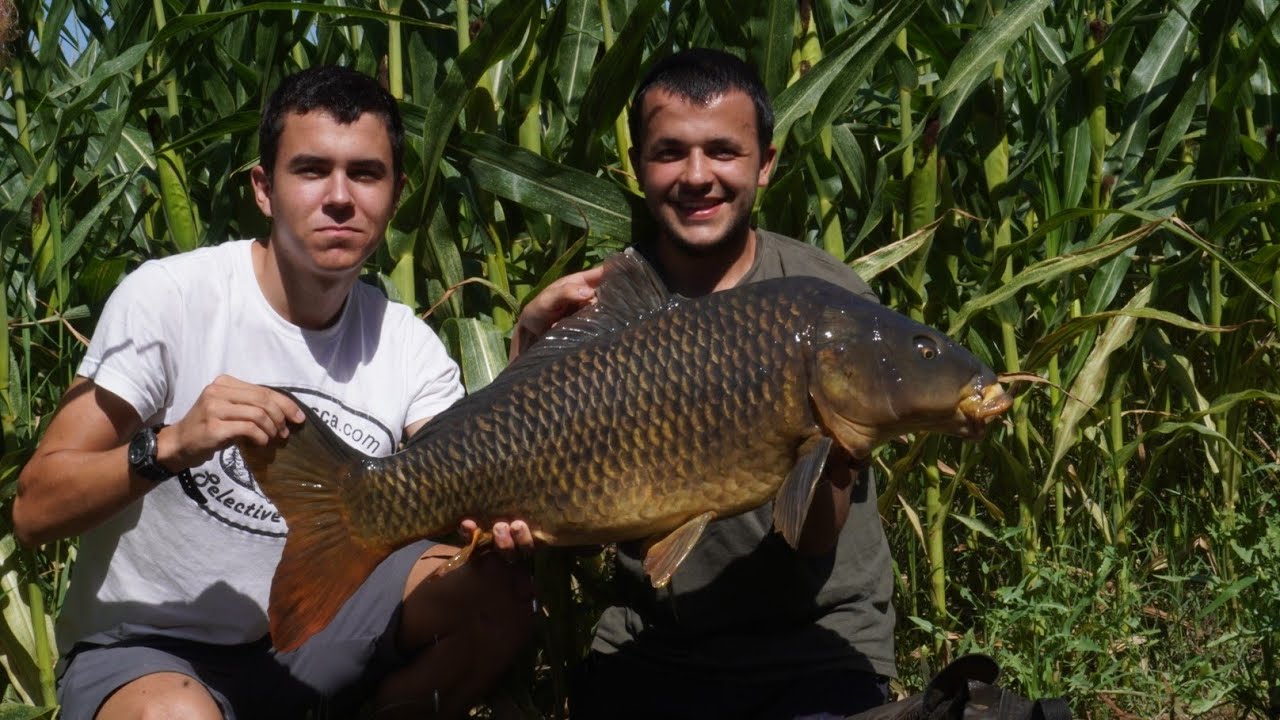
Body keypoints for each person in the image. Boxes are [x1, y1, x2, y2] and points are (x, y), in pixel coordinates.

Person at [14, 66, 535, 720]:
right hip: (151, 650)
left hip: (316, 635)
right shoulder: (168, 299)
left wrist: (530, 359)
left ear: (397, 194)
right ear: (264, 189)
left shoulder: (405, 343)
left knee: (496, 590)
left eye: (366, 174)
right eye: (312, 170)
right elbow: (34, 510)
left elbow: (469, 470)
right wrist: (170, 446)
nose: (340, 197)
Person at [512, 49, 897, 719]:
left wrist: (838, 443)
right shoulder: (607, 303)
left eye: (723, 151)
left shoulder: (826, 304)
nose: (697, 176)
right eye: (670, 153)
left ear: (765, 163)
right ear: (637, 165)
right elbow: (520, 454)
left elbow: (811, 539)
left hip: (813, 641)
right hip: (654, 638)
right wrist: (525, 343)